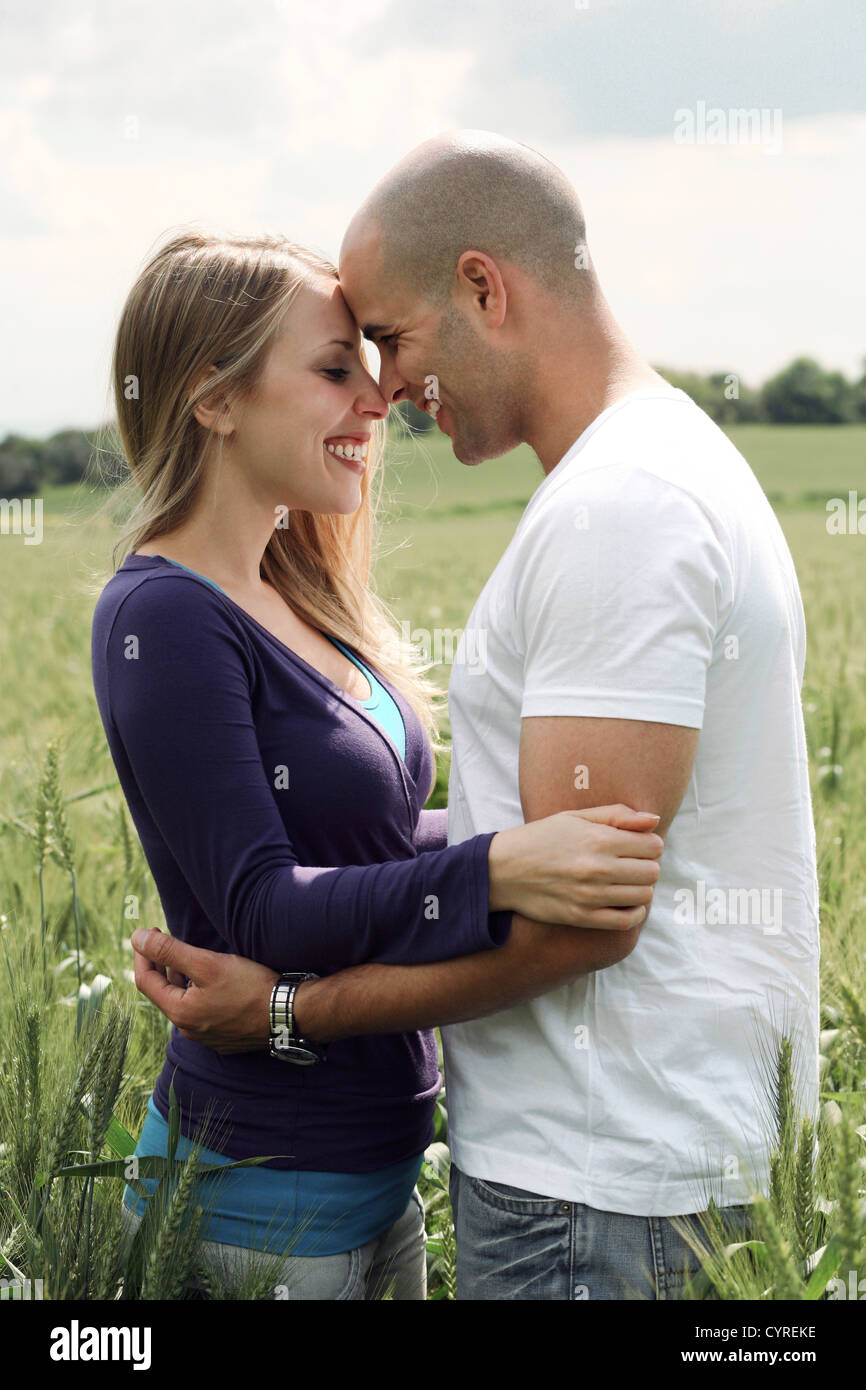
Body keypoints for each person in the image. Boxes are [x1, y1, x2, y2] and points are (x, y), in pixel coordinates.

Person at [134, 131, 820, 1301]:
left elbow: (581, 917)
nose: (385, 392)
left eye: (388, 343)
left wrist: (292, 1012)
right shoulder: (645, 474)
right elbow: (531, 855)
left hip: (599, 1187)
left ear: (483, 288)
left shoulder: (619, 509)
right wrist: (487, 859)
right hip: (616, 1177)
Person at [92, 226, 664, 1301]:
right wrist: (499, 870)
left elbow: (369, 845)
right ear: (213, 400)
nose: (378, 400)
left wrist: (533, 841)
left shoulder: (292, 587)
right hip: (259, 1199)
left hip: (379, 1176)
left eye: (370, 367)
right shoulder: (162, 615)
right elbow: (261, 907)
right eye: (331, 371)